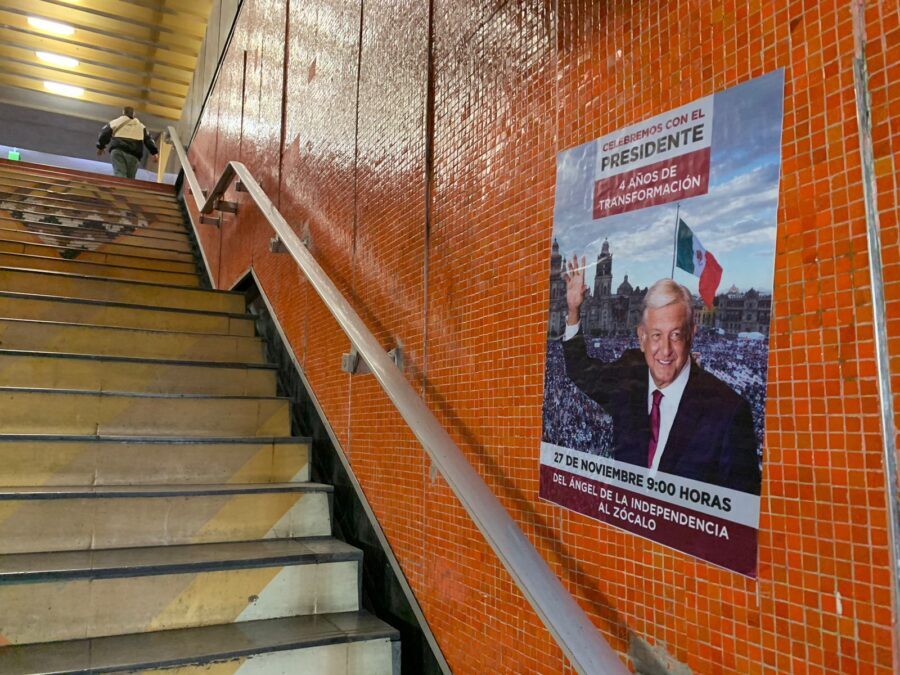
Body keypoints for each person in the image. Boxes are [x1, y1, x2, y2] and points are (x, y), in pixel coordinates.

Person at [561, 254, 761, 495]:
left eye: (676, 335)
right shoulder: (630, 372)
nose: (665, 350)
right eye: (656, 335)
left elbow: (739, 509)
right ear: (642, 337)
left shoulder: (728, 412)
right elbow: (581, 372)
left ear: (691, 333)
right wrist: (573, 310)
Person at [96, 106, 158, 179]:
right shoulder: (141, 127)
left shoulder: (115, 122)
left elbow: (104, 134)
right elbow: (148, 139)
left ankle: (120, 187)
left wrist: (101, 147)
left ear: (123, 113)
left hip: (118, 150)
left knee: (119, 173)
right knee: (130, 178)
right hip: (134, 153)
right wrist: (154, 153)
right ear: (133, 114)